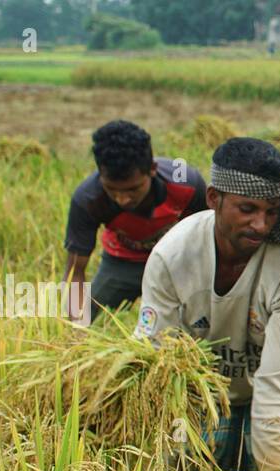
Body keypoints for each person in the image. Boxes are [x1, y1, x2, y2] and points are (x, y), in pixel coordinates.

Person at [136, 137, 280, 471]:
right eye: (247, 209)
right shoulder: (172, 257)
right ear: (214, 199)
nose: (260, 225)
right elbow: (159, 360)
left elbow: (278, 381)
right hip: (206, 388)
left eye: (272, 211)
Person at [62, 120, 207, 322]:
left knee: (201, 322)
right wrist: (76, 328)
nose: (122, 199)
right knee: (90, 317)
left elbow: (210, 240)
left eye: (133, 189)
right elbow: (75, 271)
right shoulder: (88, 199)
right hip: (123, 261)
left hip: (178, 262)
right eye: (112, 189)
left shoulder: (185, 181)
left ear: (153, 169)